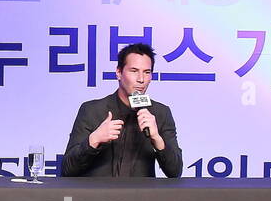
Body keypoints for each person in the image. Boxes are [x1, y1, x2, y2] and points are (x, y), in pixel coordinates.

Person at [62, 43, 183, 178]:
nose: (141, 79)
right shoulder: (92, 110)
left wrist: (157, 138)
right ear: (119, 73)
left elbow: (175, 172)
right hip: (97, 197)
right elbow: (67, 170)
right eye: (134, 71)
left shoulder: (161, 113)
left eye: (147, 72)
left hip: (141, 197)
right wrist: (94, 140)